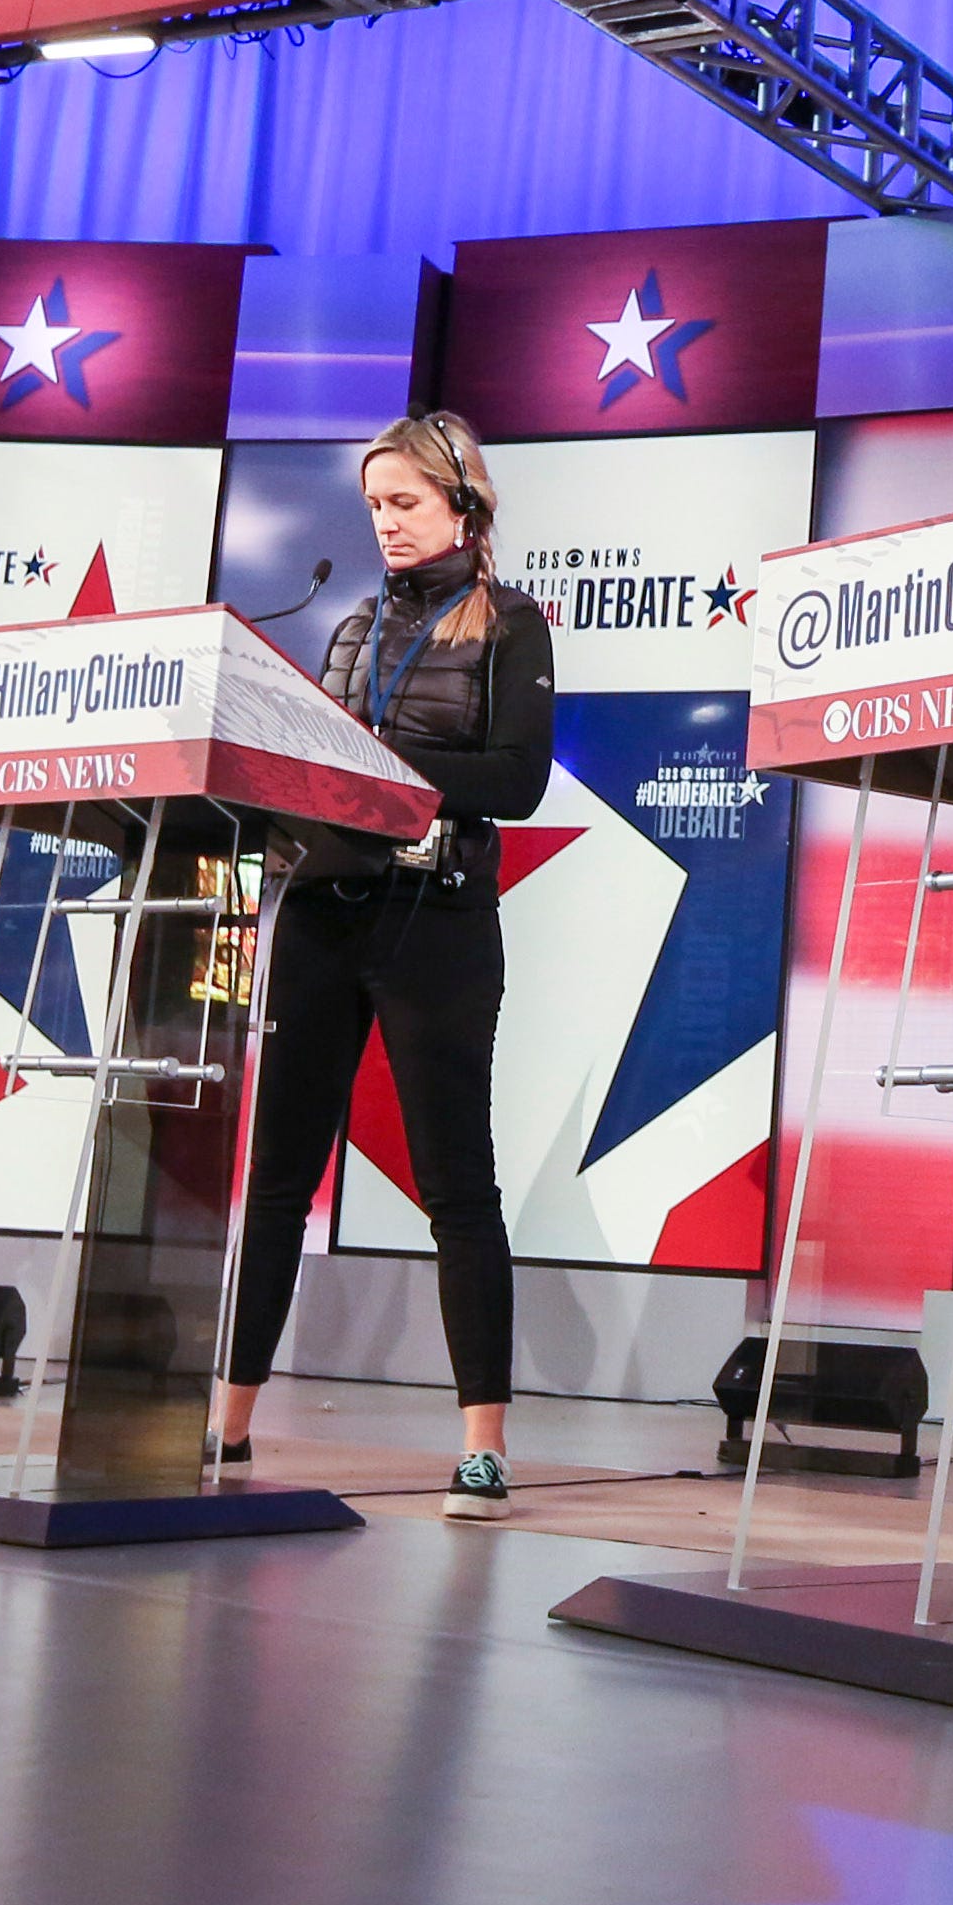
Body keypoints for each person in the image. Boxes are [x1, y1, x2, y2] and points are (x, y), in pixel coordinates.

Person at [214, 413, 554, 1517]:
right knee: (277, 1176)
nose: (386, 522)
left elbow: (515, 778)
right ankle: (226, 1420)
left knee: (457, 1182)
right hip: (322, 912)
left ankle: (485, 1445)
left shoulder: (510, 622)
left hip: (439, 920)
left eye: (404, 501)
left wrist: (370, 758)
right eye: (373, 504)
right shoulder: (352, 625)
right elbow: (309, 775)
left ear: (464, 501)